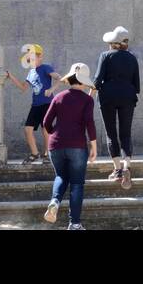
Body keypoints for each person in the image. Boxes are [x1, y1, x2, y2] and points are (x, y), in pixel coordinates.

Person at [41, 63, 97, 231]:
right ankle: (74, 224)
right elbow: (89, 123)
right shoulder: (87, 100)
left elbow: (45, 122)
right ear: (83, 81)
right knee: (77, 184)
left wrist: (55, 134)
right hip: (77, 146)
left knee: (61, 176)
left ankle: (55, 201)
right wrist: (93, 146)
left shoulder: (59, 97)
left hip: (55, 145)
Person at [93, 26, 139, 188]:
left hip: (108, 97)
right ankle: (127, 166)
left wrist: (91, 91)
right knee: (125, 133)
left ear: (113, 43)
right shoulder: (132, 58)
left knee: (111, 133)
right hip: (128, 96)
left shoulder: (105, 56)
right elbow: (137, 85)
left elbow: (98, 81)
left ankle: (118, 169)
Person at [6, 44, 62, 163]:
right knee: (28, 129)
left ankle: (47, 154)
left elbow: (59, 78)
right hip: (35, 105)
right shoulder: (31, 72)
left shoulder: (46, 67)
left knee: (45, 129)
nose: (30, 60)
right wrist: (11, 76)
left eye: (32, 57)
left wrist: (51, 90)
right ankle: (35, 153)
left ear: (40, 56)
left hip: (47, 104)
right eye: (28, 58)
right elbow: (23, 87)